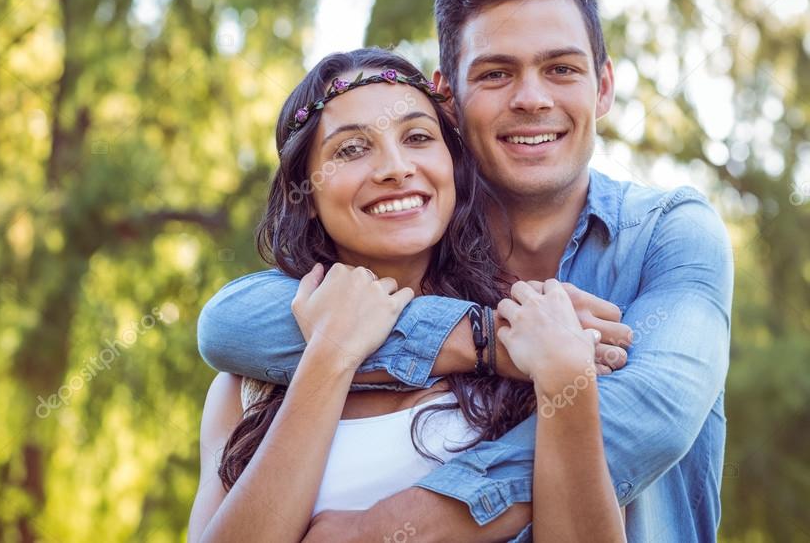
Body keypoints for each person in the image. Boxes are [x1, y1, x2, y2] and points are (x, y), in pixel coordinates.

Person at [197, 0, 733, 542]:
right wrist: (483, 338)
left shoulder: (668, 234)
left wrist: (397, 528)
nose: (532, 98)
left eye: (561, 68)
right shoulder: (413, 257)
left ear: (603, 86)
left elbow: (649, 417)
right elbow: (227, 324)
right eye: (496, 73)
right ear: (449, 96)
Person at [187, 48, 628, 543]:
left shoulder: (523, 342)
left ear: (453, 168)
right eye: (351, 149)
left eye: (417, 137)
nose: (395, 168)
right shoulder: (247, 387)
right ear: (306, 194)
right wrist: (330, 356)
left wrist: (565, 374)